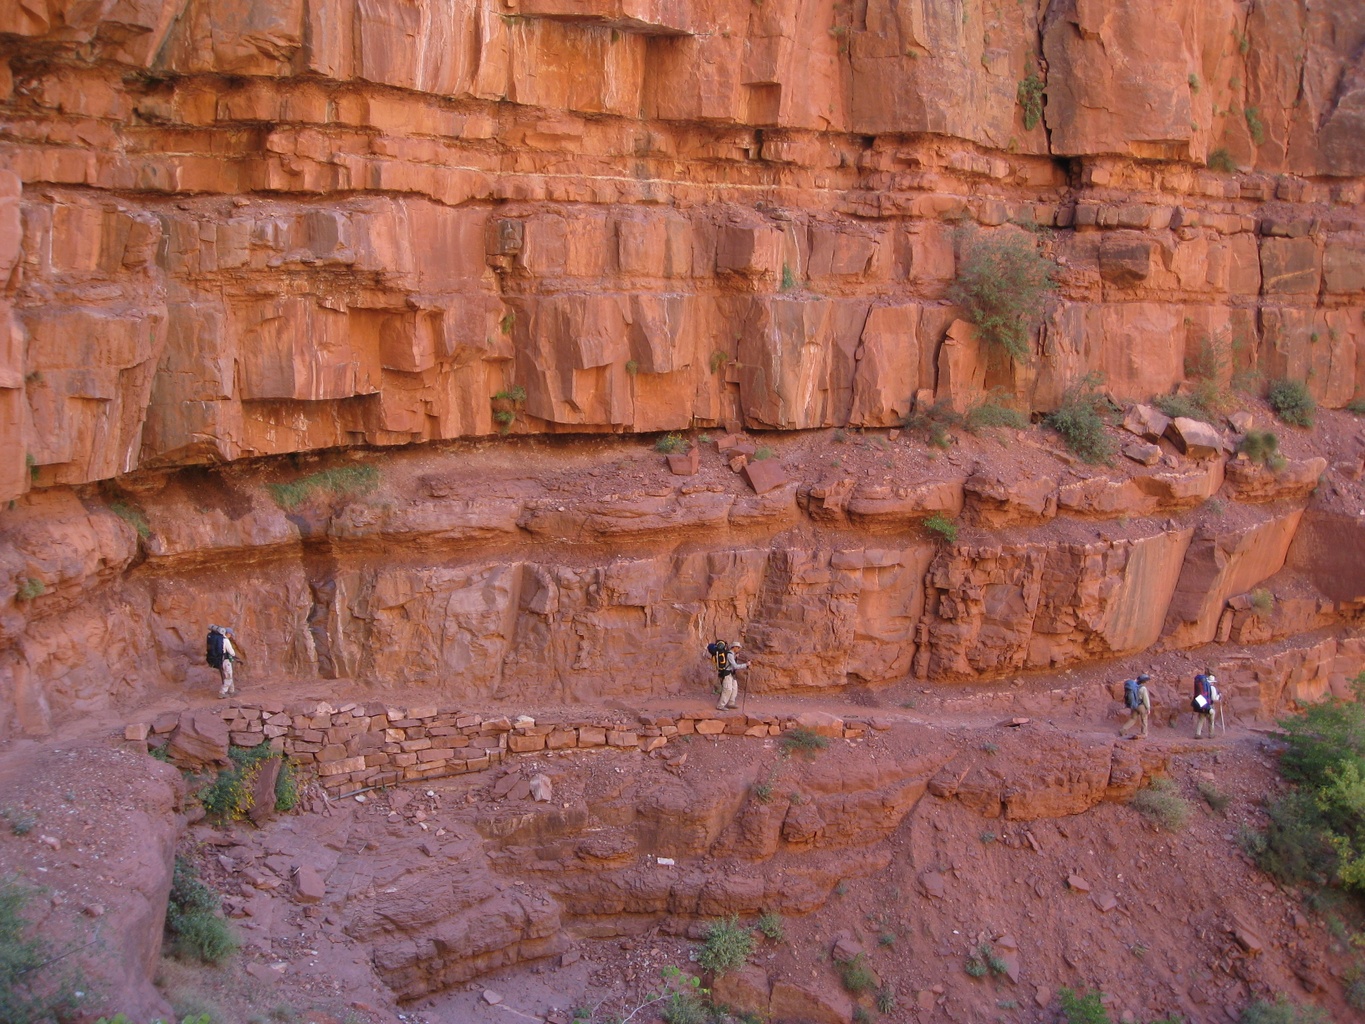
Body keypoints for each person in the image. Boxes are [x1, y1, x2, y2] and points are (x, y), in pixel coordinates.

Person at [206, 624, 243, 697]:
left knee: (229, 675)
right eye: (231, 635)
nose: (231, 636)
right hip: (225, 661)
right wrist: (234, 655)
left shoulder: (217, 639)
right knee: (228, 676)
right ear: (228, 633)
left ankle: (232, 691)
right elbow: (231, 651)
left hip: (219, 660)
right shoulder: (225, 640)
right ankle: (222, 692)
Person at [715, 642, 749, 711]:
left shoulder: (732, 655)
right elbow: (735, 666)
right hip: (727, 674)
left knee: (734, 688)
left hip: (731, 674)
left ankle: (731, 703)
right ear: (734, 647)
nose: (739, 649)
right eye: (738, 647)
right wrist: (746, 665)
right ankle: (720, 706)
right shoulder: (730, 655)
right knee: (727, 689)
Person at [1120, 673, 1152, 739]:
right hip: (1141, 706)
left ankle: (1123, 729)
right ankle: (1144, 733)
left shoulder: (1134, 686)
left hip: (1134, 705)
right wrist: (1148, 708)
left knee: (1133, 718)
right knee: (1144, 719)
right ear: (1145, 681)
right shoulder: (1143, 688)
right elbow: (1146, 699)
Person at [1193, 670, 1217, 738]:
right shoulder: (1212, 688)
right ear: (1212, 682)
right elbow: (1214, 698)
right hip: (1209, 706)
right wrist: (1218, 697)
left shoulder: (1203, 687)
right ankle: (1211, 734)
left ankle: (1198, 733)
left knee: (1201, 719)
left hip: (1202, 704)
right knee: (1211, 720)